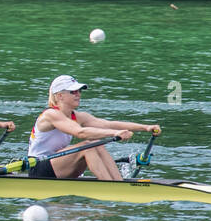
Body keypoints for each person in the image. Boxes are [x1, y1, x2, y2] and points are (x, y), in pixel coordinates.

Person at [27, 75, 160, 180]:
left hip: (57, 165)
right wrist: (116, 133)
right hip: (38, 168)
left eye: (79, 91)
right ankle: (110, 187)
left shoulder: (78, 116)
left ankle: (118, 183)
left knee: (96, 144)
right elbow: (81, 132)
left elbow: (108, 124)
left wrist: (145, 127)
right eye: (73, 91)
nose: (78, 94)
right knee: (88, 147)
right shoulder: (51, 114)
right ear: (59, 95)